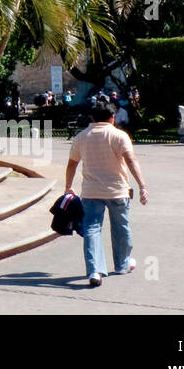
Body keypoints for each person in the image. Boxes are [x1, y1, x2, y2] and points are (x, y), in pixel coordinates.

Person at [65, 101, 149, 287]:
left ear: (92, 118)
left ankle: (95, 270)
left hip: (91, 191)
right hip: (118, 190)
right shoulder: (119, 136)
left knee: (92, 230)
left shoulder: (81, 137)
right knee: (121, 227)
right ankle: (122, 264)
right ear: (112, 117)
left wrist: (68, 187)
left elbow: (72, 163)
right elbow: (131, 160)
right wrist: (142, 185)